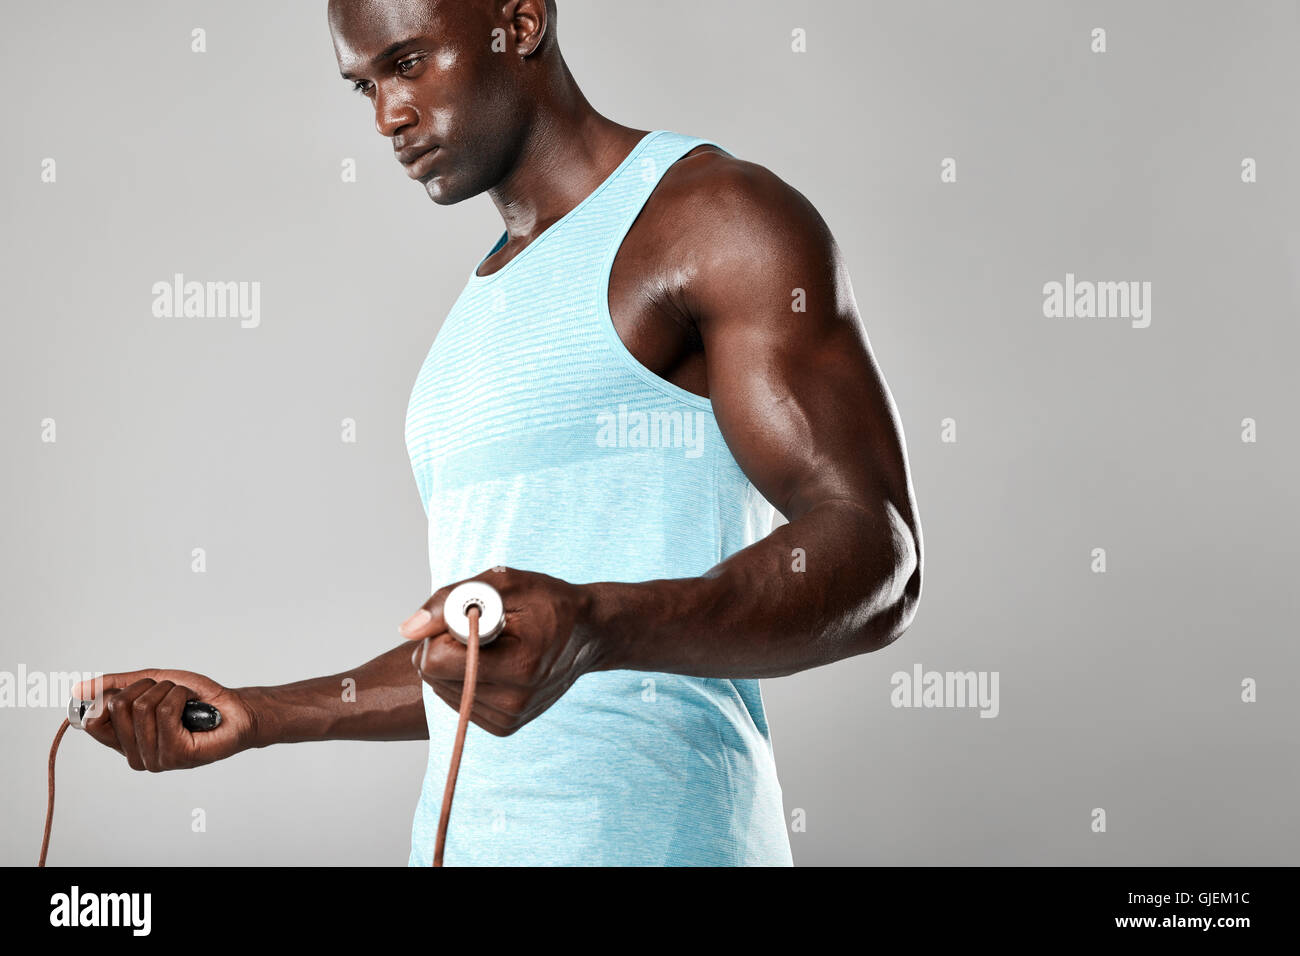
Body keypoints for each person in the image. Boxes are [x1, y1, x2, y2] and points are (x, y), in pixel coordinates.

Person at [73, 0, 923, 866]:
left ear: (519, 23)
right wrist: (263, 714)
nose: (387, 117)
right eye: (362, 86)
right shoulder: (473, 320)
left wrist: (600, 623)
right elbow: (488, 655)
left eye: (407, 65)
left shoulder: (715, 218)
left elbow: (876, 554)